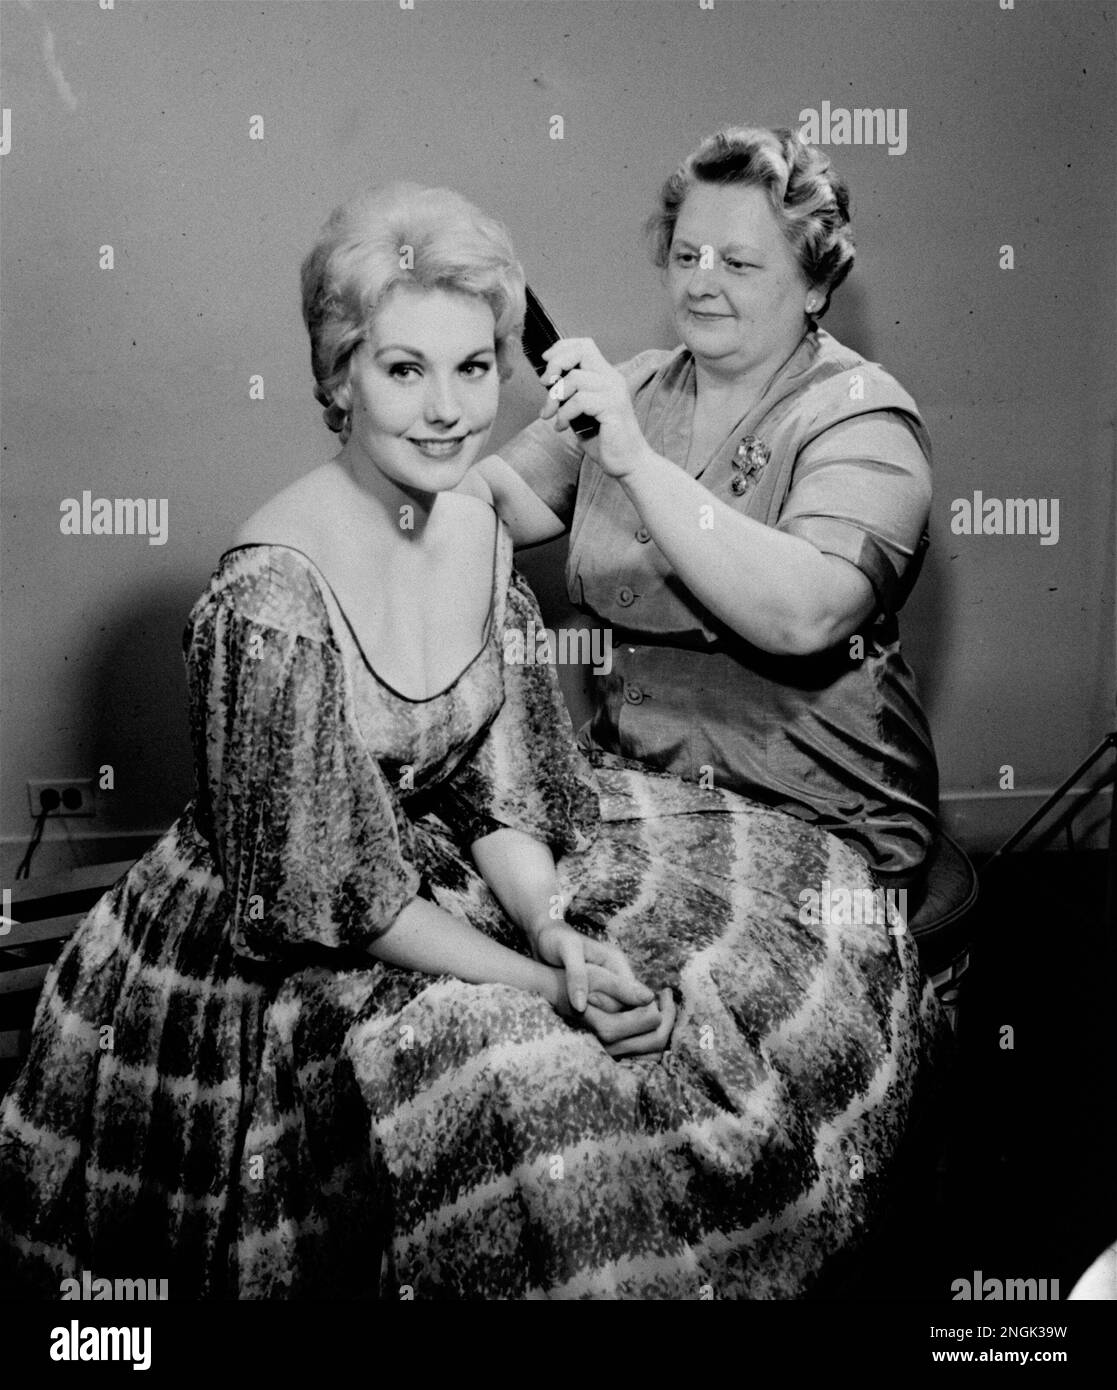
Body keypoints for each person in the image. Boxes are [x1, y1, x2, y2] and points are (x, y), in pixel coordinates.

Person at [0, 182, 943, 1302]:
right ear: (337, 377)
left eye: (475, 367)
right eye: (404, 370)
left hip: (439, 865)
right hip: (291, 923)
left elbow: (501, 792)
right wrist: (541, 982)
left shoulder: (476, 531)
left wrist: (554, 928)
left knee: (703, 989)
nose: (449, 410)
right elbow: (334, 900)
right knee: (518, 1086)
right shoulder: (271, 597)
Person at [480, 125, 939, 900]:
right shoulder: (639, 390)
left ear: (816, 283)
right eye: (686, 255)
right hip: (640, 793)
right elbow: (492, 500)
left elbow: (805, 616)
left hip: (816, 816)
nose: (700, 281)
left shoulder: (863, 418)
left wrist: (632, 462)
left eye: (737, 262)